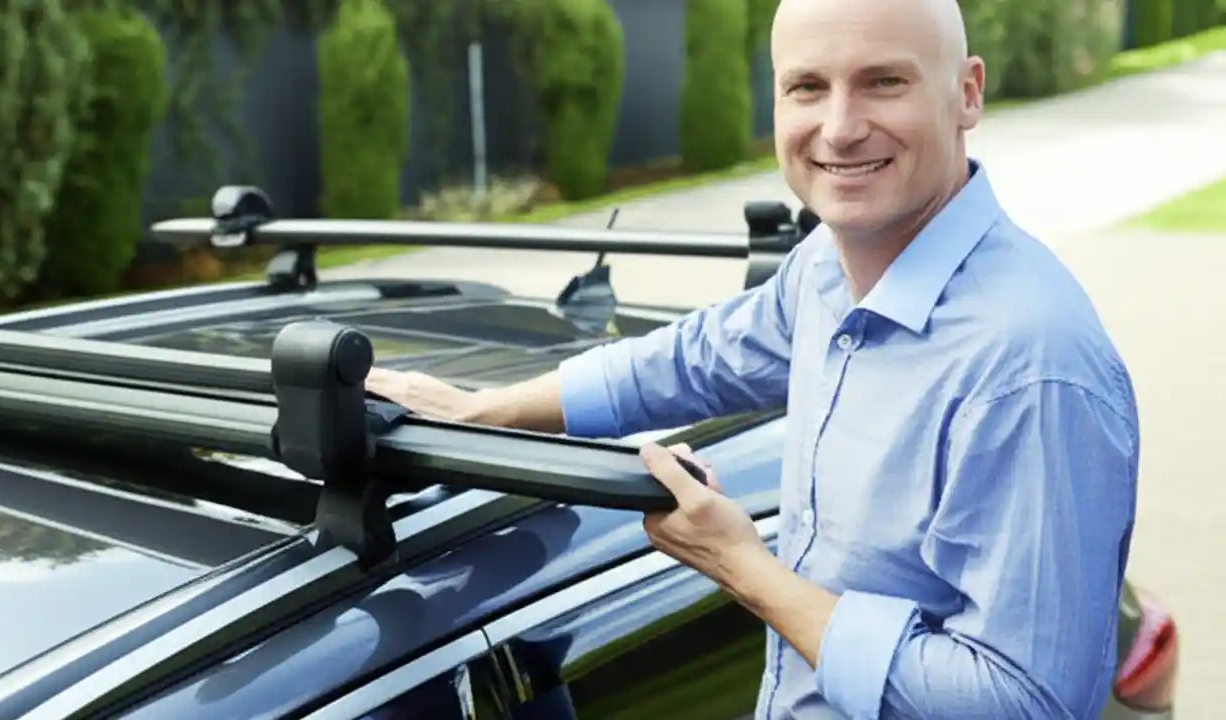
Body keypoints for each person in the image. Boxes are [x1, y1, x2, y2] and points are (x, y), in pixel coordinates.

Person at [365, 0, 1141, 717]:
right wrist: (480, 412)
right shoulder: (827, 269)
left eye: (882, 82)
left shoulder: (1030, 368)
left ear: (966, 93)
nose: (839, 128)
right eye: (807, 86)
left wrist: (744, 567)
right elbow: (697, 359)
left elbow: (1021, 704)